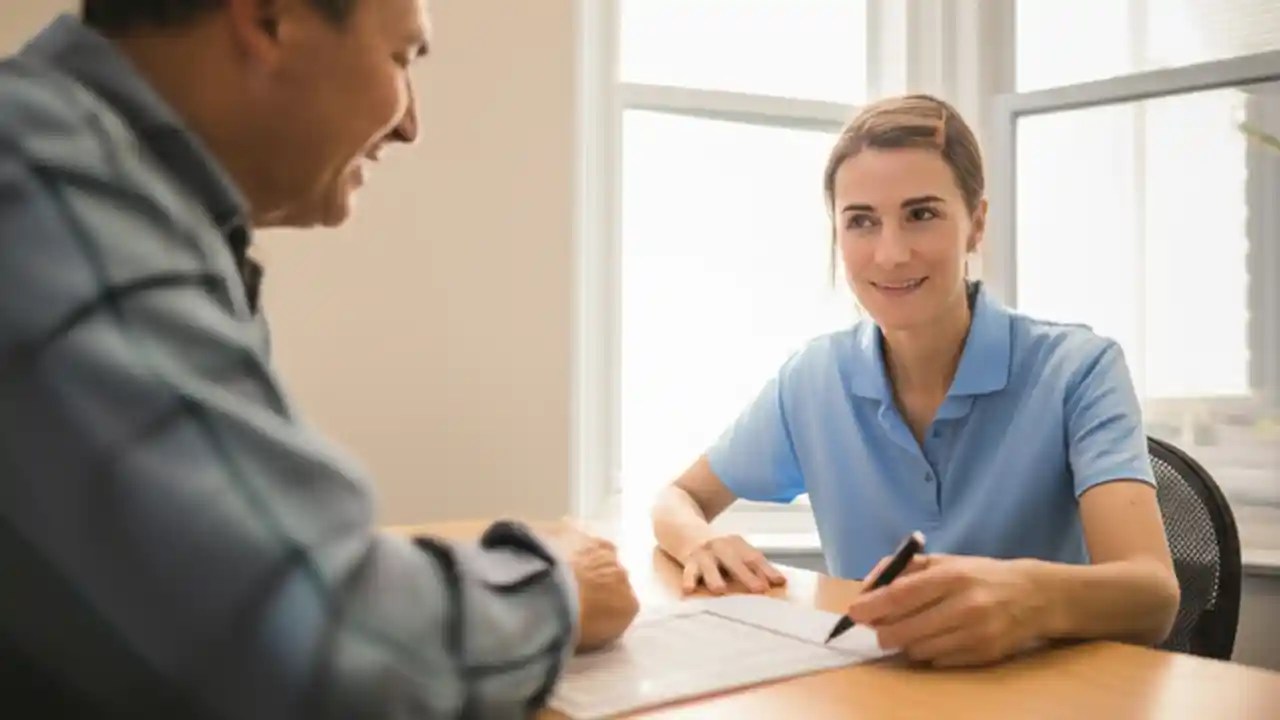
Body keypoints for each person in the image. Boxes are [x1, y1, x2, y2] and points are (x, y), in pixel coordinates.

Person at [0, 1, 638, 717]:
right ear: (271, 19)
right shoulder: (44, 182)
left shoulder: (107, 189)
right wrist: (551, 584)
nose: (409, 124)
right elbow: (323, 636)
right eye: (401, 58)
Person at [651, 94, 1181, 668]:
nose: (891, 253)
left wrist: (1025, 595)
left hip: (1040, 693)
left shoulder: (1079, 368)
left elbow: (1153, 595)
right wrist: (701, 542)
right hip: (878, 688)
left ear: (976, 224)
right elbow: (677, 498)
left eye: (921, 214)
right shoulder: (812, 379)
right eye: (861, 221)